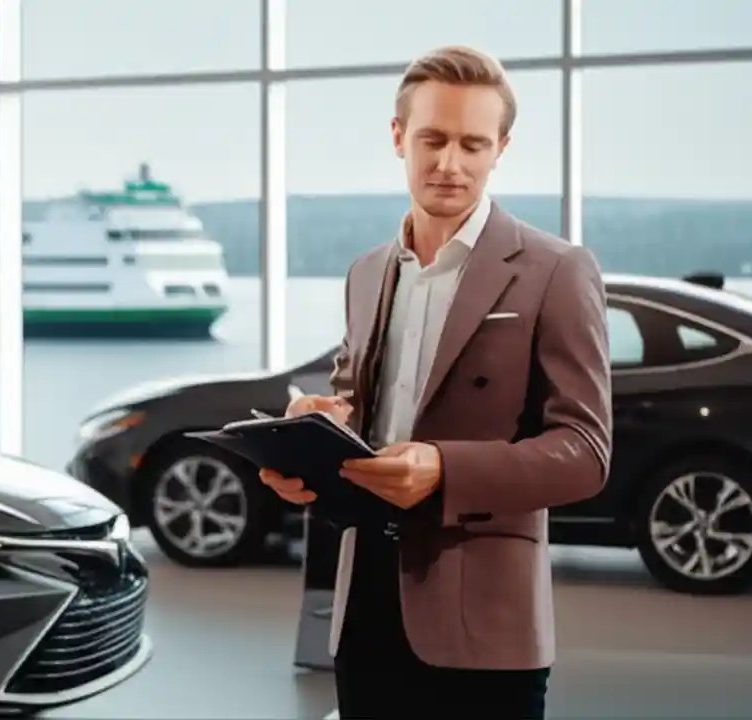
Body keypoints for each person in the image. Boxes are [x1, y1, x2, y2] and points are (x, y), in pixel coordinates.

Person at [260, 45, 612, 718]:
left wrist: (444, 469)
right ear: (399, 137)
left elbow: (585, 453)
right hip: (365, 609)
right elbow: (359, 415)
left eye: (473, 144)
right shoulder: (367, 273)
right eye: (433, 139)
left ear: (500, 148)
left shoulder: (556, 271)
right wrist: (309, 441)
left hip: (484, 622)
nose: (450, 164)